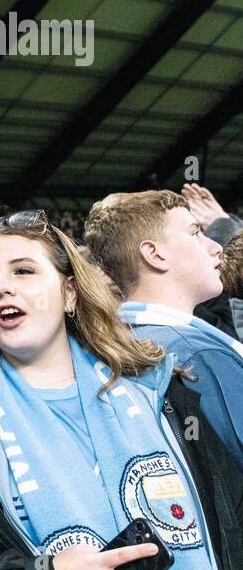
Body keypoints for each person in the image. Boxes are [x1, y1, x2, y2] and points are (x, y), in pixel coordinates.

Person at [0, 210, 242, 570]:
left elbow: (231, 518)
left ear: (70, 293)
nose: (2, 288)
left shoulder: (160, 385)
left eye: (24, 271)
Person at [84, 190, 243, 472]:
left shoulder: (119, 342)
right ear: (155, 255)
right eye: (195, 233)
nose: (216, 247)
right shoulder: (199, 353)